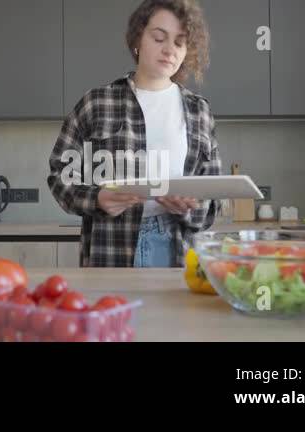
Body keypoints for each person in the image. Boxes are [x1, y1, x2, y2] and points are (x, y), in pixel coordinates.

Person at [47, 0, 222, 268]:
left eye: (179, 42)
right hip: (109, 245)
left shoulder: (200, 111)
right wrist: (97, 198)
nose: (169, 50)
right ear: (137, 38)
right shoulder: (95, 103)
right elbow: (60, 175)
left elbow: (213, 197)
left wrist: (191, 205)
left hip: (176, 247)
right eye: (159, 37)